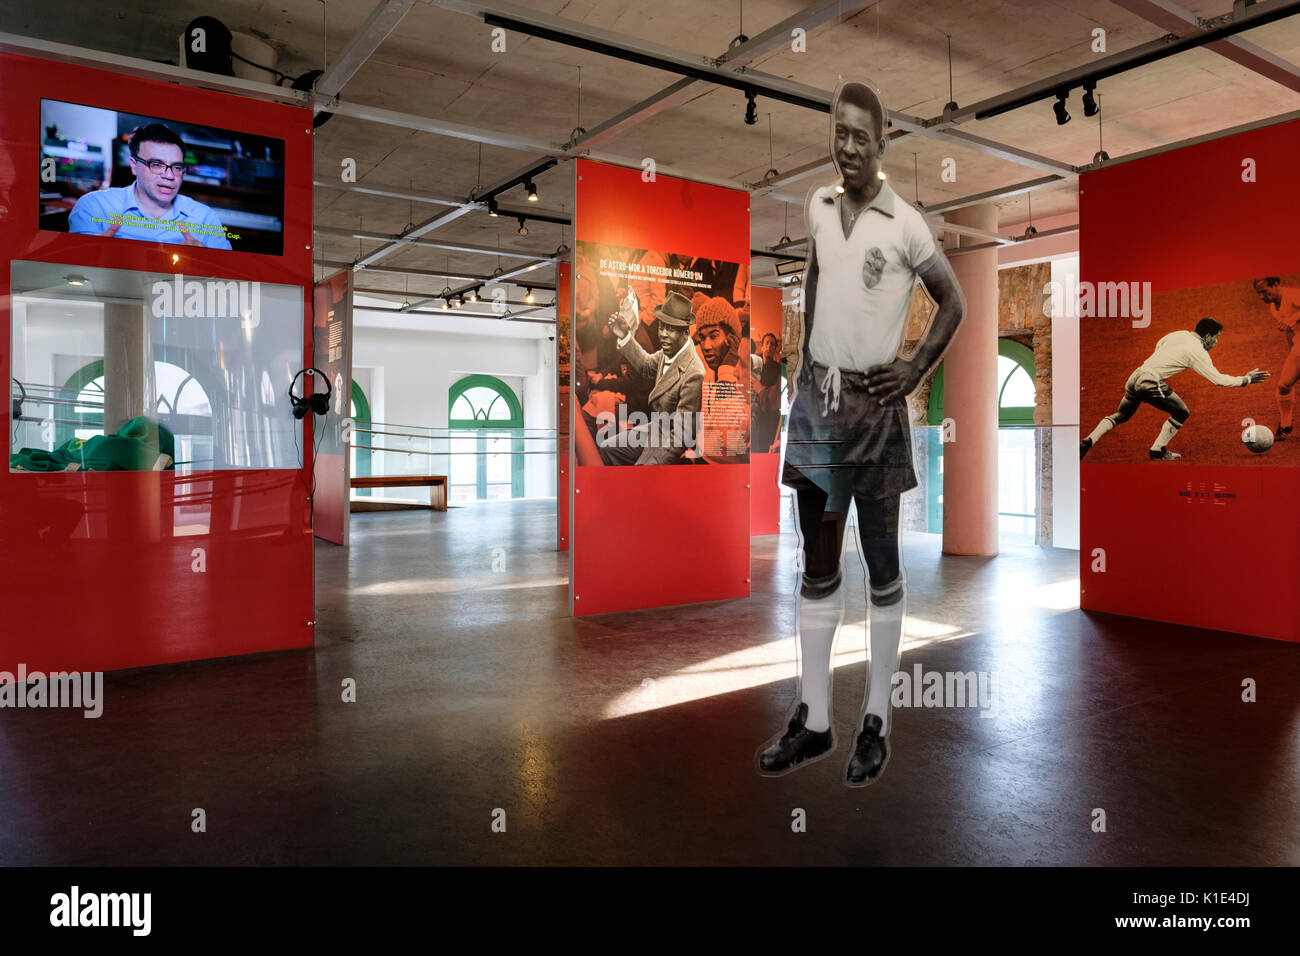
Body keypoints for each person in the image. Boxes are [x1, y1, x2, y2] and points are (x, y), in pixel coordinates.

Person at [756, 79, 966, 788]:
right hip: (818, 408)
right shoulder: (815, 204)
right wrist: (809, 357)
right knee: (816, 565)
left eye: (860, 135)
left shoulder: (906, 223)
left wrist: (913, 369)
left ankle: (875, 718)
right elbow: (814, 279)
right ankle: (814, 719)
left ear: (882, 144)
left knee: (881, 567)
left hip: (877, 413)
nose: (847, 145)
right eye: (838, 131)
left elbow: (953, 301)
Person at [1080, 317, 1270, 461]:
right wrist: (1246, 379)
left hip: (1137, 374)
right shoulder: (1197, 351)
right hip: (1150, 380)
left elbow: (1159, 345)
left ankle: (1089, 439)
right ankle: (1157, 451)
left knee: (1121, 415)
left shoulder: (1179, 334)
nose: (1217, 342)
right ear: (1207, 336)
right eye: (1217, 338)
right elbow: (1218, 380)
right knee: (1182, 412)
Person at [577, 290, 704, 465]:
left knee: (640, 469)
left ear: (685, 333)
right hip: (655, 429)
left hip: (668, 439)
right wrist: (624, 336)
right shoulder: (669, 353)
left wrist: (650, 463)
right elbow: (645, 365)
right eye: (662, 327)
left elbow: (682, 436)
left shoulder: (694, 372)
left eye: (671, 329)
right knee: (607, 447)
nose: (664, 334)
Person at [68, 124, 233, 250]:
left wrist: (206, 263)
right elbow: (71, 274)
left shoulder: (205, 218)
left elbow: (230, 278)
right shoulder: (94, 207)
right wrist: (93, 255)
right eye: (156, 164)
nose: (169, 176)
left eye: (177, 167)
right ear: (134, 166)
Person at [1253, 277, 1300, 440]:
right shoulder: (1274, 308)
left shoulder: (1293, 295)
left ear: (1276, 285)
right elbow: (1291, 332)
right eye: (1259, 293)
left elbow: (1291, 323)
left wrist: (1293, 319)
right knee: (1284, 385)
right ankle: (1286, 425)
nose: (1261, 297)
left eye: (1264, 291)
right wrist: (1292, 352)